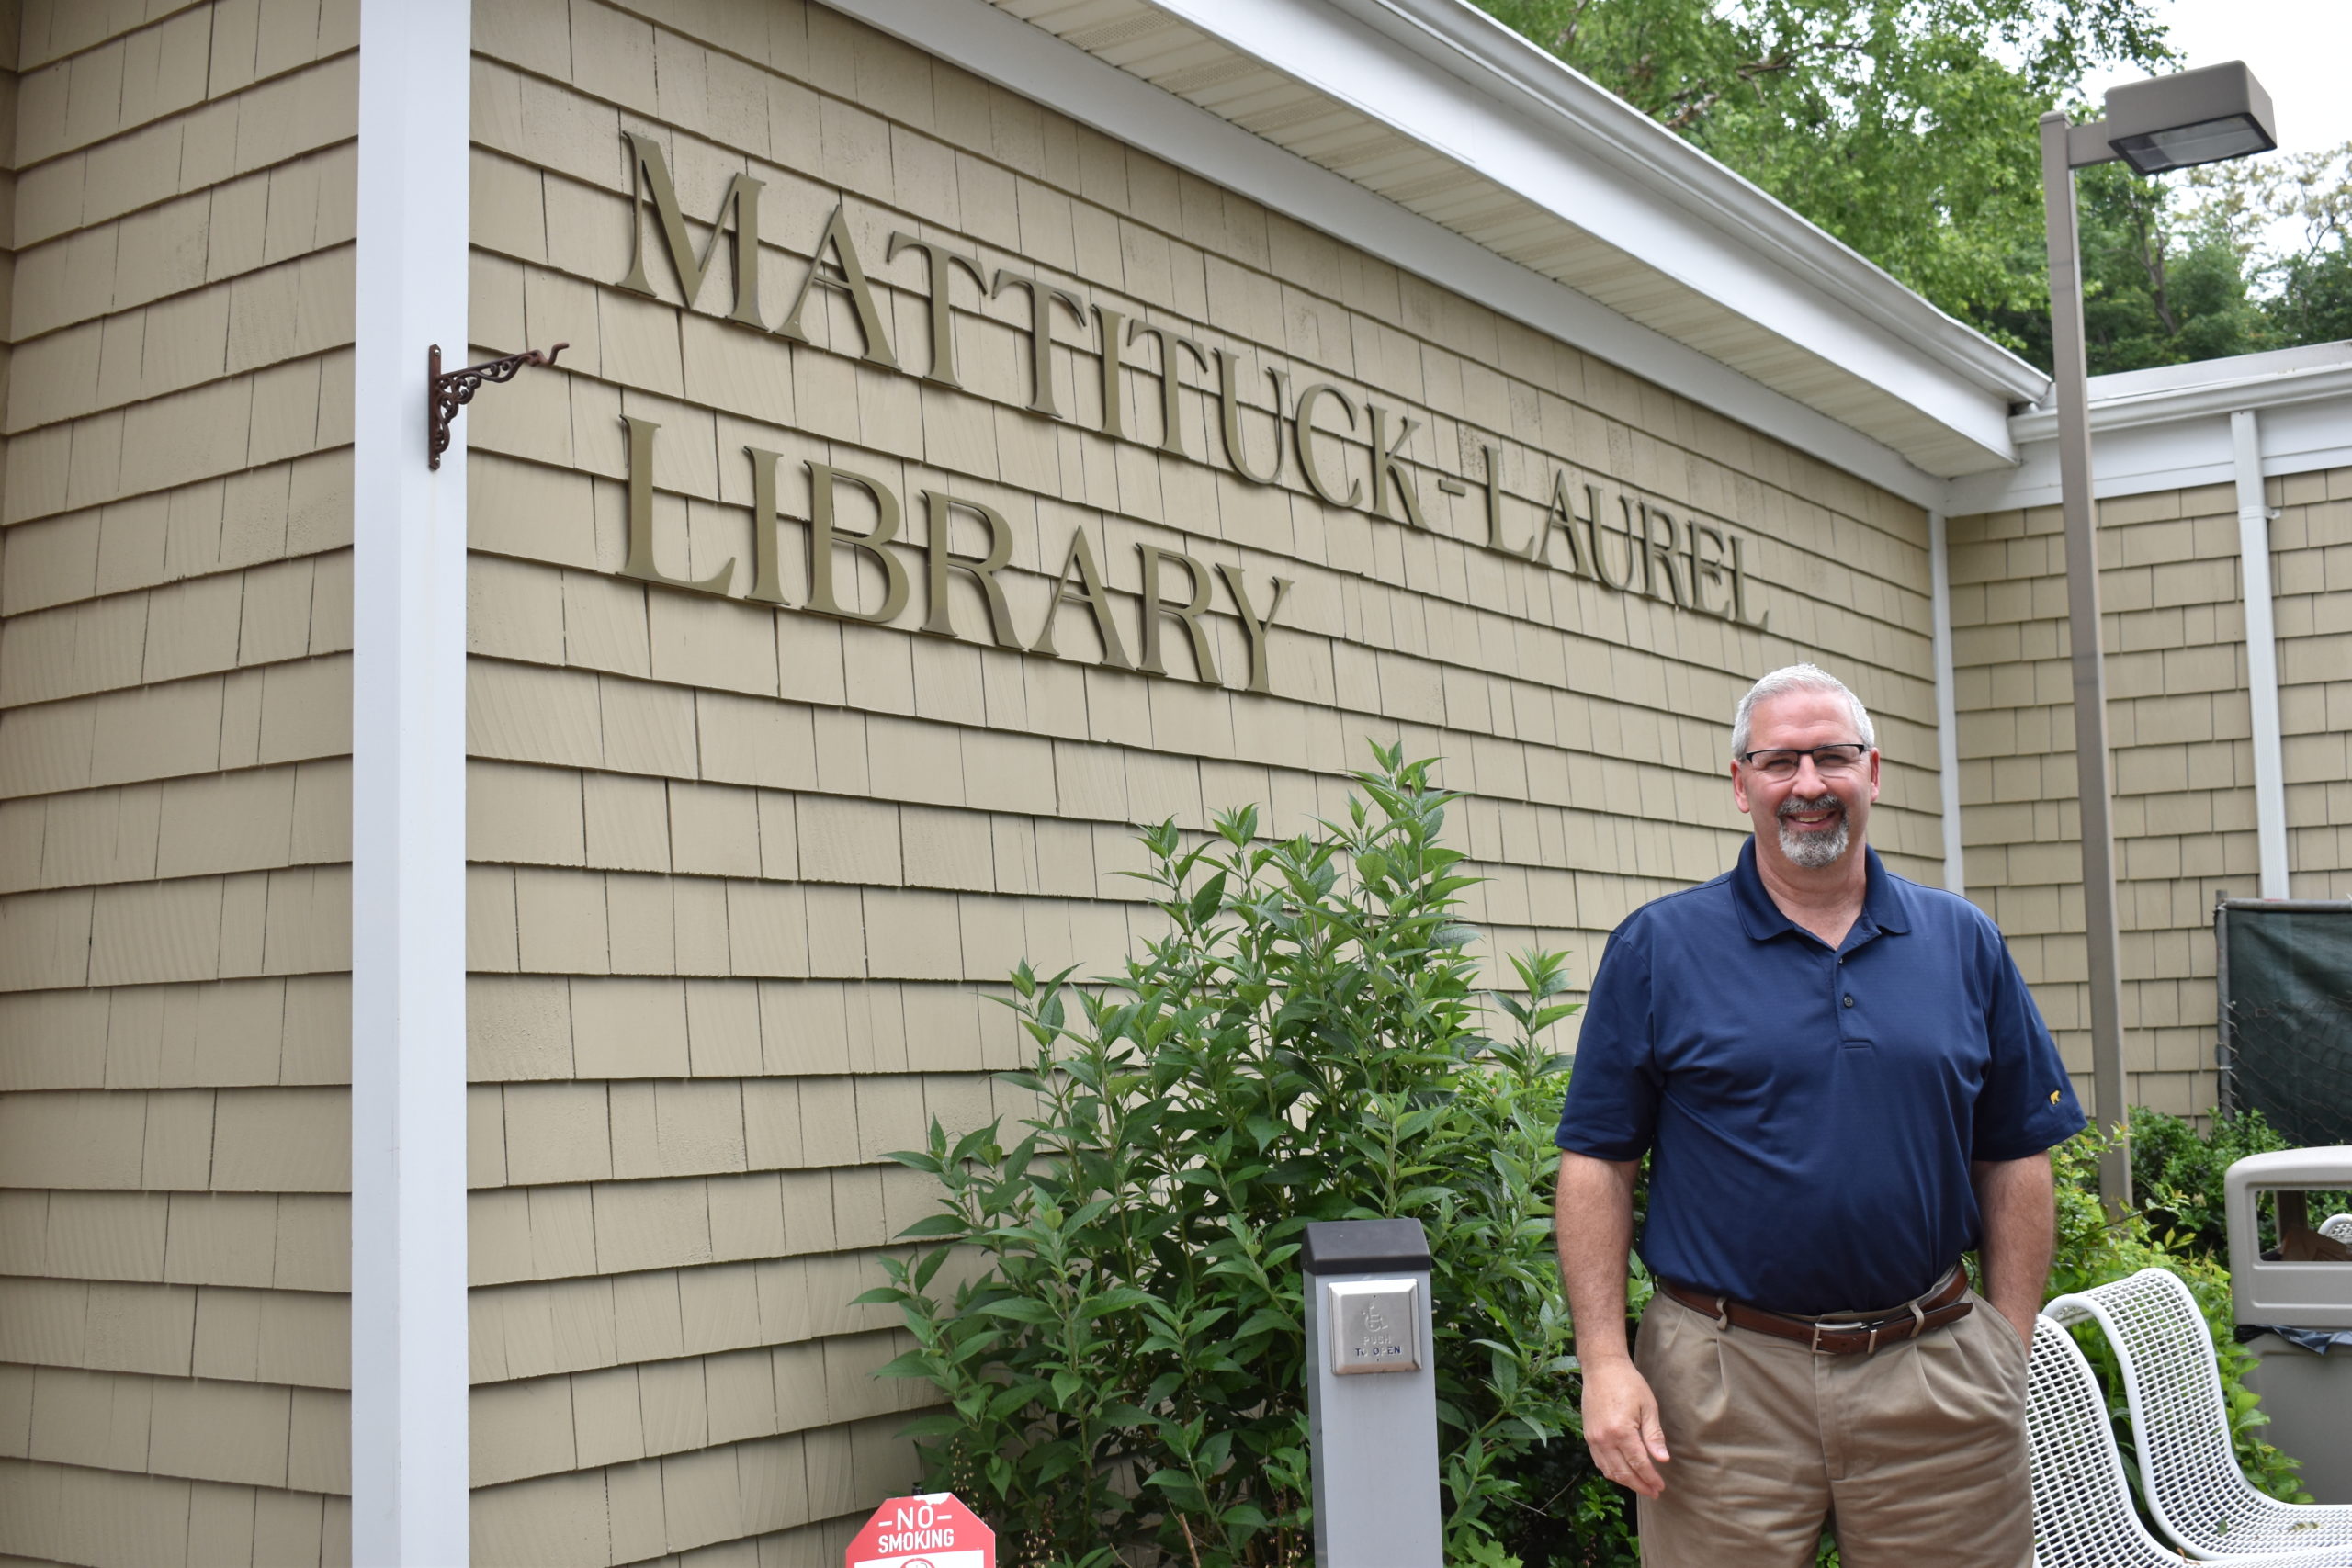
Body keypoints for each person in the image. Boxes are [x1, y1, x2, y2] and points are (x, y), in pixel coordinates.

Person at [1555, 663, 2086, 1568]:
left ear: (1871, 774)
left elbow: (2013, 1154)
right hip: (1723, 1385)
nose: (1807, 785)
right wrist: (1605, 1362)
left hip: (1936, 1374)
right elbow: (1597, 1163)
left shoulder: (1961, 944)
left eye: (1831, 758)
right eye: (1778, 762)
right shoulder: (1659, 949)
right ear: (1740, 785)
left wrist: (2008, 1342)